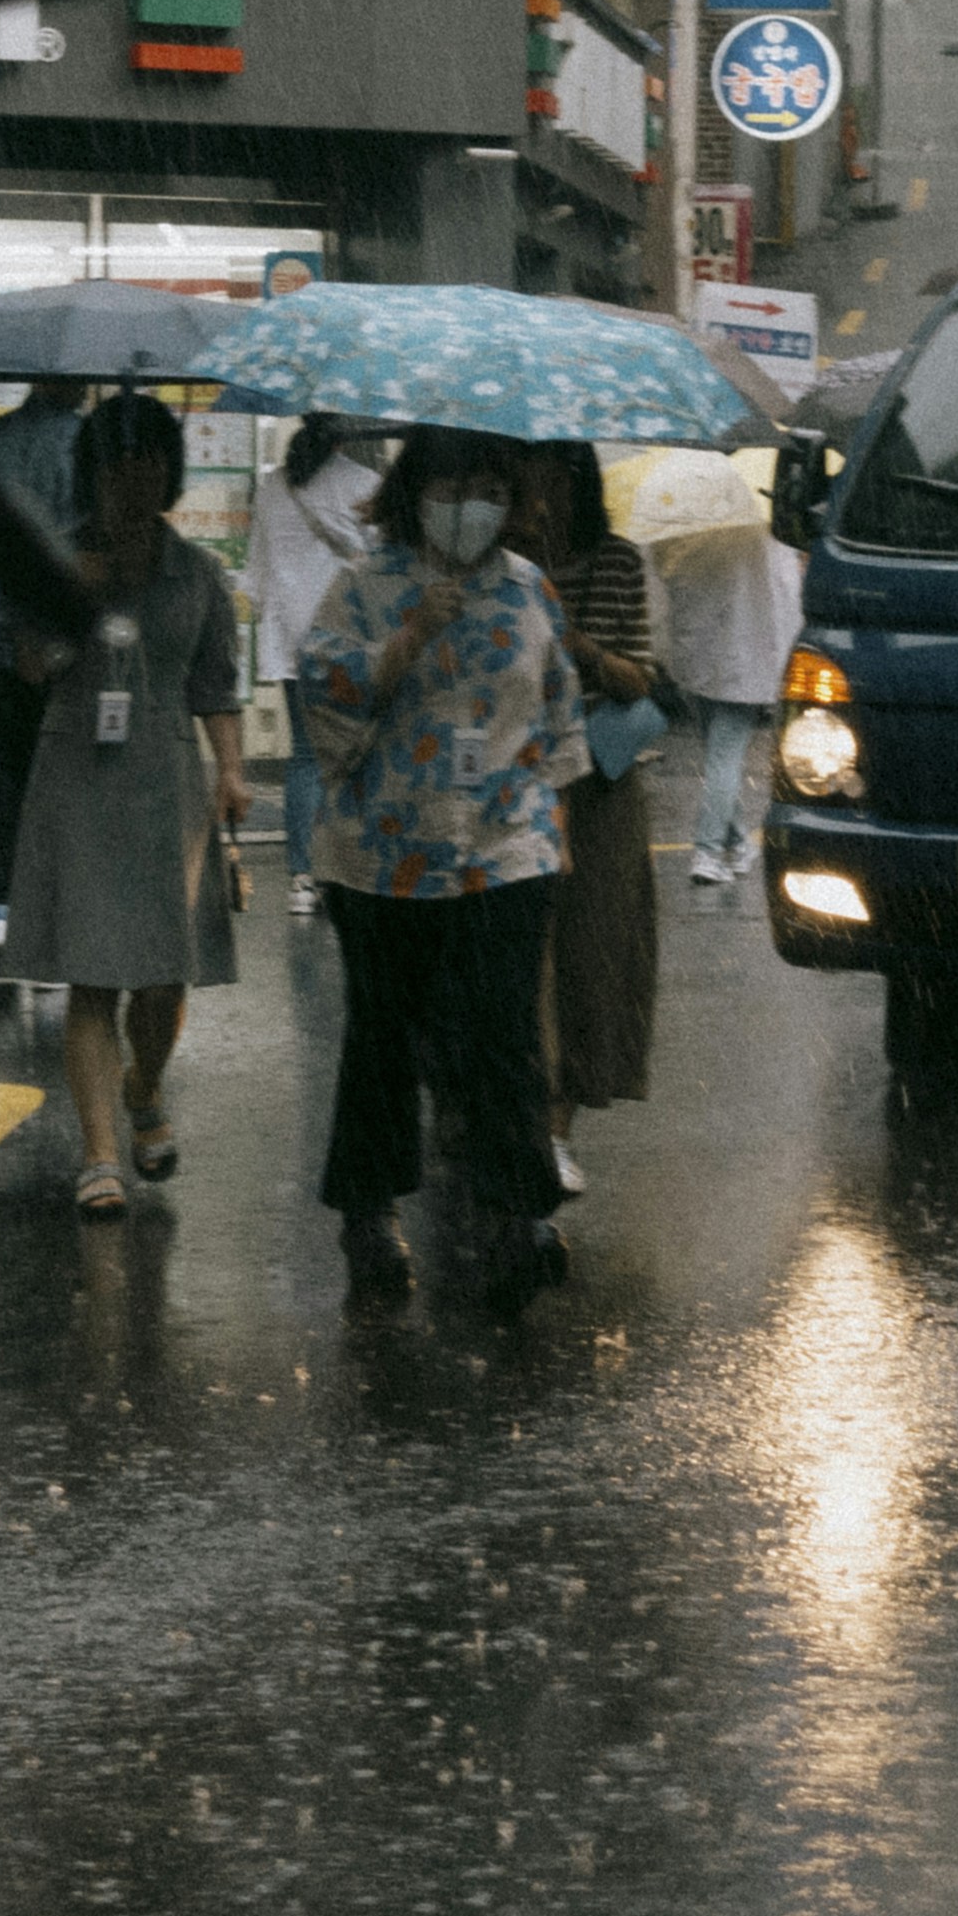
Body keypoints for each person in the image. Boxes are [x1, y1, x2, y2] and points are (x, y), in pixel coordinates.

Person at [297, 427, 583, 1310]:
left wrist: (550, 828)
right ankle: (367, 1215)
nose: (471, 505)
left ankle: (521, 1211)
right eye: (452, 484)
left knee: (503, 1041)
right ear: (416, 489)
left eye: (489, 485)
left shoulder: (530, 590)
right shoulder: (363, 588)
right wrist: (404, 642)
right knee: (383, 1039)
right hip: (384, 860)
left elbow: (557, 714)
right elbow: (326, 702)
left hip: (504, 854)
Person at [4, 393, 247, 1213]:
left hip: (168, 778)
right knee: (92, 973)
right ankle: (101, 1154)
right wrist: (69, 591)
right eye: (115, 464)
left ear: (169, 472)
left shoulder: (199, 573)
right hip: (77, 768)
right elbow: (30, 667)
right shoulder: (56, 560)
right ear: (93, 475)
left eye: (147, 462)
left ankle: (144, 1087)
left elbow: (216, 684)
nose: (132, 479)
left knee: (161, 978)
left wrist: (233, 771)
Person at [523, 445, 663, 1196]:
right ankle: (498, 1115)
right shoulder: (499, 561)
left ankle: (556, 1128)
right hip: (514, 772)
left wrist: (577, 645)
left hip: (599, 777)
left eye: (554, 476)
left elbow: (641, 675)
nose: (541, 492)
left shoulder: (616, 563)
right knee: (516, 953)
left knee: (589, 951)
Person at [0, 375, 86, 974]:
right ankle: (55, 925)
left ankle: (2, 914)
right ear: (74, 381)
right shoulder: (93, 450)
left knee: (2, 784)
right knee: (65, 787)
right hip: (65, 652)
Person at [249, 412, 381, 921]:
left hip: (289, 643)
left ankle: (302, 880)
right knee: (353, 754)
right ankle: (348, 870)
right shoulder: (366, 484)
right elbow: (380, 567)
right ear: (345, 433)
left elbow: (257, 575)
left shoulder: (270, 487)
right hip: (347, 640)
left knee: (304, 758)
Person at [659, 502, 801, 891]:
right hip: (748, 656)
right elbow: (786, 592)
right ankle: (711, 851)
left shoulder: (693, 517)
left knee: (720, 758)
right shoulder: (766, 520)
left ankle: (732, 846)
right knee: (724, 760)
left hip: (700, 655)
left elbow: (669, 571)